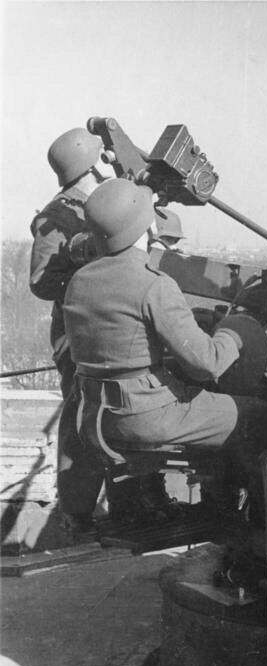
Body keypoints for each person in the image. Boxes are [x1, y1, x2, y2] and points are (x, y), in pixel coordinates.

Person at [62, 178, 267, 522]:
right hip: (146, 418)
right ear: (145, 227)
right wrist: (235, 331)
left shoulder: (79, 281)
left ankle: (218, 510)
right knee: (259, 415)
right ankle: (257, 528)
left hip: (95, 416)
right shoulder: (154, 284)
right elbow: (207, 363)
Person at [29, 128, 109, 532]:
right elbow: (42, 282)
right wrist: (80, 256)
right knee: (81, 416)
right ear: (91, 166)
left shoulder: (99, 205)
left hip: (108, 326)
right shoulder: (56, 216)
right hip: (76, 334)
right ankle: (77, 509)